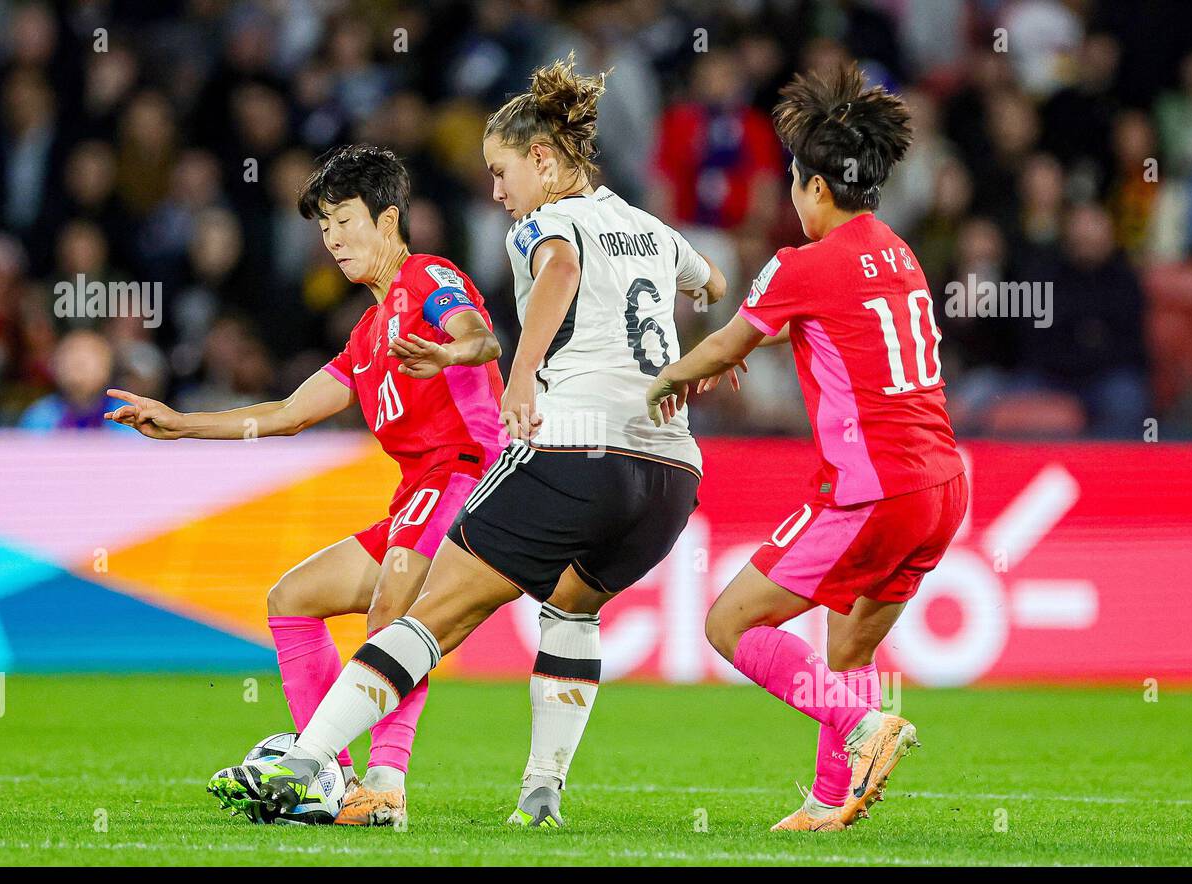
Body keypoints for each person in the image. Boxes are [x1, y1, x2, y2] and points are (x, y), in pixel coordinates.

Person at [213, 57, 727, 829]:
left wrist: (520, 377)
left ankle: (308, 765)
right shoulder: (648, 226)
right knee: (572, 612)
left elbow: (555, 270)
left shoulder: (543, 224)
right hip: (669, 473)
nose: (497, 192)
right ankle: (541, 792)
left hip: (575, 451)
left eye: (501, 171)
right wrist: (707, 360)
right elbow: (713, 285)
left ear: (544, 162)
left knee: (424, 620)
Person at [108, 145, 506, 826]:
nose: (333, 238)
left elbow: (479, 337)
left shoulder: (426, 276)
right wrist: (182, 424)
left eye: (345, 219)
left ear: (388, 219)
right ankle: (334, 776)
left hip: (468, 479)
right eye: (324, 226)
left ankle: (385, 788)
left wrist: (450, 351)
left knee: (390, 620)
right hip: (418, 495)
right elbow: (288, 414)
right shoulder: (367, 333)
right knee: (291, 599)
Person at [646, 63, 967, 832]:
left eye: (794, 181)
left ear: (816, 188)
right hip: (944, 487)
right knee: (847, 650)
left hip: (873, 489)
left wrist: (655, 388)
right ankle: (831, 799)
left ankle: (863, 730)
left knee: (730, 624)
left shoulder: (802, 265)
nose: (791, 196)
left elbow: (722, 346)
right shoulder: (899, 252)